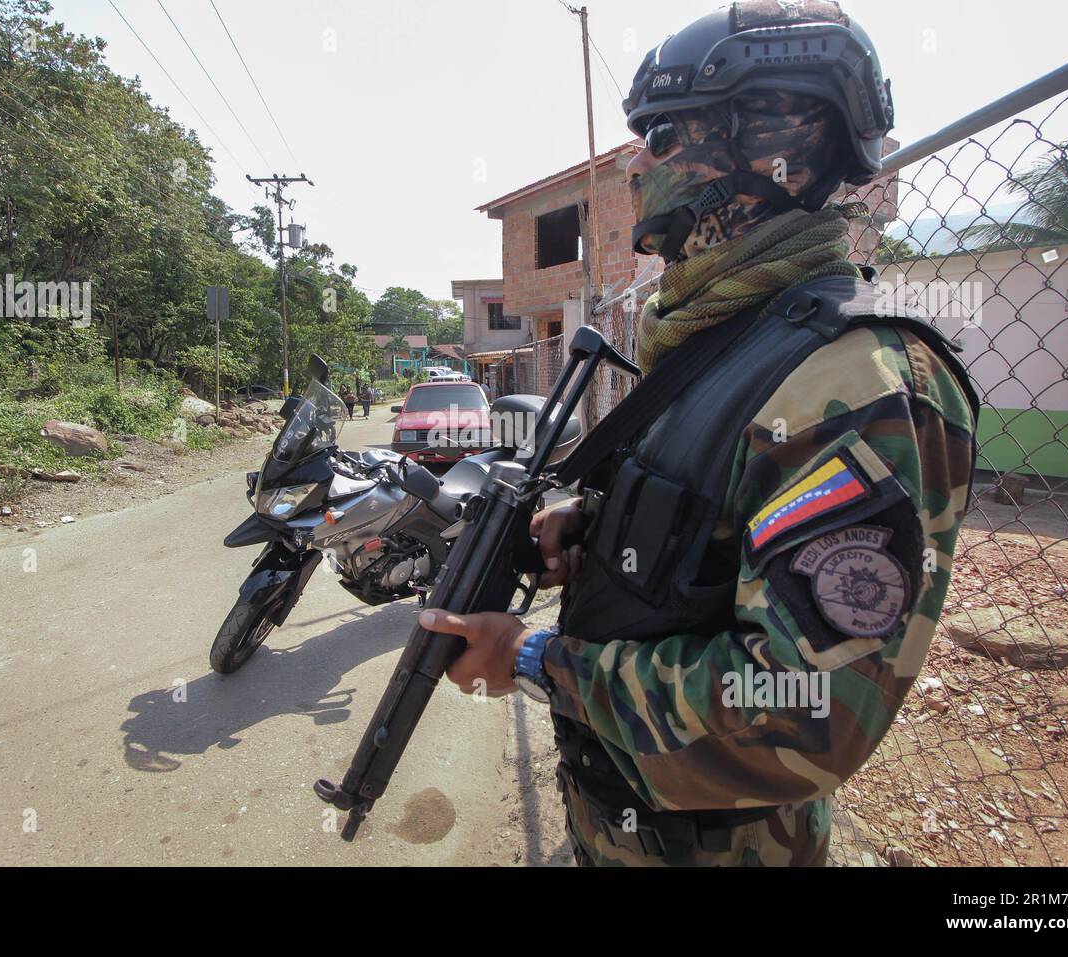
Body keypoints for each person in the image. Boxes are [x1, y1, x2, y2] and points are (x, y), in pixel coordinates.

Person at [417, 0, 978, 867]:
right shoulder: (725, 339)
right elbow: (704, 534)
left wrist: (532, 659)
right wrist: (590, 529)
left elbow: (802, 709)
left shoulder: (851, 380)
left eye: (665, 138)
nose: (640, 166)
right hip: (623, 817)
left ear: (761, 150)